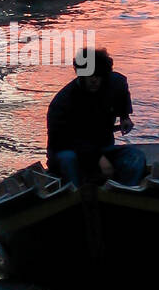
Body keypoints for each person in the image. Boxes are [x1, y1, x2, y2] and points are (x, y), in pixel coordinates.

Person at [47, 48, 147, 187]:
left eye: (98, 76)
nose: (94, 80)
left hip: (103, 147)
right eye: (89, 76)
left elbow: (121, 87)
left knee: (136, 157)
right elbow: (60, 141)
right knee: (68, 159)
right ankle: (76, 196)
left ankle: (122, 194)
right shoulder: (63, 102)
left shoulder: (114, 82)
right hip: (69, 151)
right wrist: (98, 159)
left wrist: (125, 116)